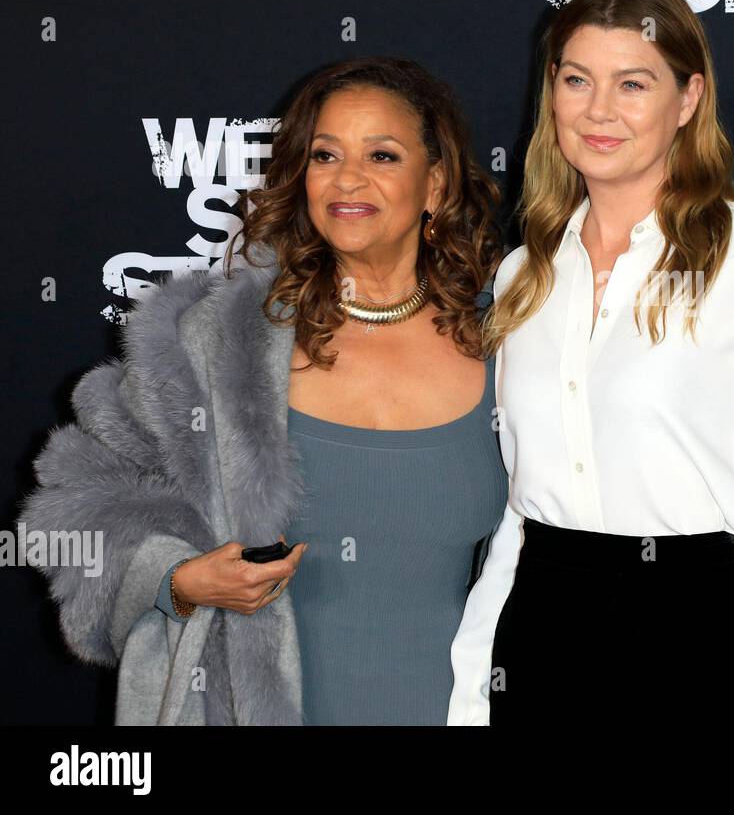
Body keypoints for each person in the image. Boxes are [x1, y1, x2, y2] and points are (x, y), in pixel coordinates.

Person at [20, 56, 507, 724]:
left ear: (437, 183)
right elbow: (74, 510)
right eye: (325, 155)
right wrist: (175, 580)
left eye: (384, 155)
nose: (348, 179)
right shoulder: (214, 343)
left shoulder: (512, 341)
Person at [447, 0, 734, 726]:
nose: (598, 111)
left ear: (688, 98)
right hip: (540, 635)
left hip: (697, 636)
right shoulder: (523, 275)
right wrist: (473, 687)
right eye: (576, 80)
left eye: (633, 84)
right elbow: (516, 514)